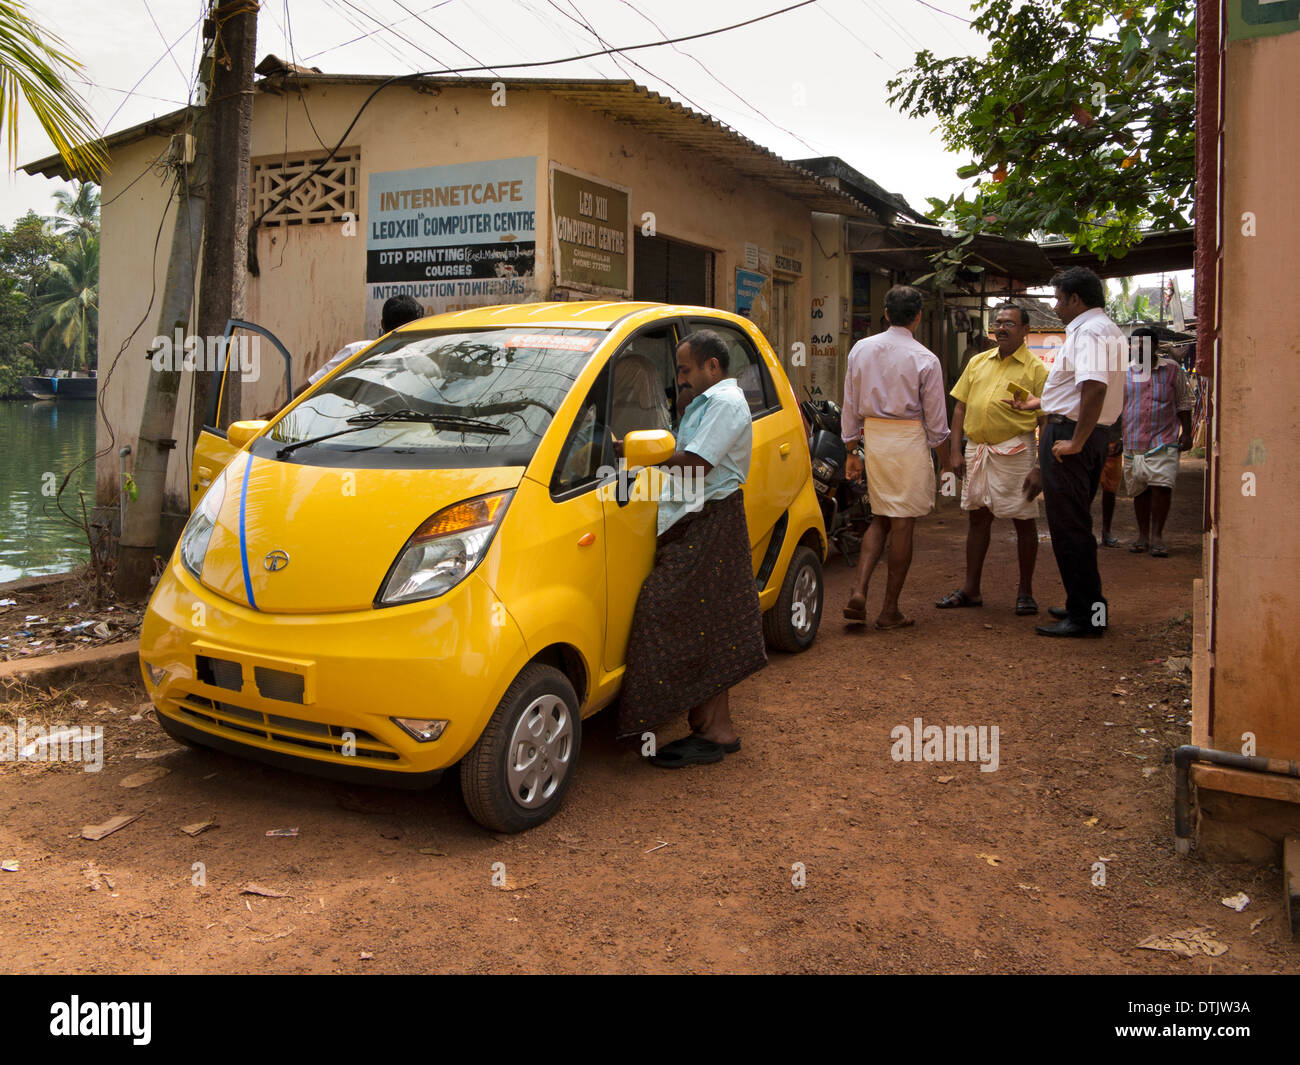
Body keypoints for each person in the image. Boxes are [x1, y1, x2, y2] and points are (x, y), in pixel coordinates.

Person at [618, 331, 767, 768]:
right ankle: (713, 728)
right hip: (698, 521)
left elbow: (698, 464)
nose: (680, 377)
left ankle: (708, 727)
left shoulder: (724, 404)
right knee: (709, 624)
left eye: (685, 370)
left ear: (712, 367)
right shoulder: (706, 403)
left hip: (710, 522)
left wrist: (635, 454)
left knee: (661, 610)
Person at [1009, 266, 1125, 638]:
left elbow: (1094, 387)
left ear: (1076, 299)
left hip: (1074, 435)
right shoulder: (1106, 328)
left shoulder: (1089, 331)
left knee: (1069, 527)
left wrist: (1074, 441)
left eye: (1059, 299)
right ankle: (1085, 604)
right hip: (1088, 432)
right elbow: (1081, 390)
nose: (1056, 307)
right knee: (1076, 524)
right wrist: (1039, 403)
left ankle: (1087, 616)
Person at [841, 285, 952, 629]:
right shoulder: (925, 359)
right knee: (902, 523)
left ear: (886, 313)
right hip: (908, 441)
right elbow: (937, 424)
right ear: (918, 316)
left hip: (874, 439)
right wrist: (947, 461)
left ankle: (860, 590)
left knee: (880, 516)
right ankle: (889, 609)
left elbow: (849, 403)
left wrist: (850, 451)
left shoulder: (861, 349)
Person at [936, 302, 1048, 615]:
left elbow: (1045, 420)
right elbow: (959, 407)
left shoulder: (1036, 369)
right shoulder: (978, 362)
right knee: (977, 517)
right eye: (998, 322)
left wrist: (1040, 466)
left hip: (1016, 451)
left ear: (1025, 330)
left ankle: (1025, 592)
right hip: (977, 449)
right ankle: (971, 589)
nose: (1001, 328)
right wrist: (956, 451)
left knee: (1024, 519)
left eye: (1009, 323)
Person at [1122, 326, 1194, 557]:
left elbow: (1184, 401)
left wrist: (1188, 433)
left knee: (1162, 487)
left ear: (1155, 346)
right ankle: (1142, 536)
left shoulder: (1171, 370)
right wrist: (1113, 437)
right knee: (1139, 489)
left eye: (1145, 343)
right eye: (1136, 343)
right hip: (1133, 438)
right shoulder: (1124, 373)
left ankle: (1157, 536)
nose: (1140, 347)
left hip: (1164, 438)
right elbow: (1116, 407)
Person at [300, 294, 424, 397]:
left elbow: (312, 387)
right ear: (419, 325)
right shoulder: (426, 362)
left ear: (382, 324)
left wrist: (280, 413)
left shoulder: (358, 351)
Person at [1099, 414, 1124, 548]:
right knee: (1083, 488)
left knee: (1110, 488)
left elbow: (1125, 411)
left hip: (1112, 441)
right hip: (1086, 440)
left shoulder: (1119, 392)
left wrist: (1121, 437)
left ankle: (1106, 531)